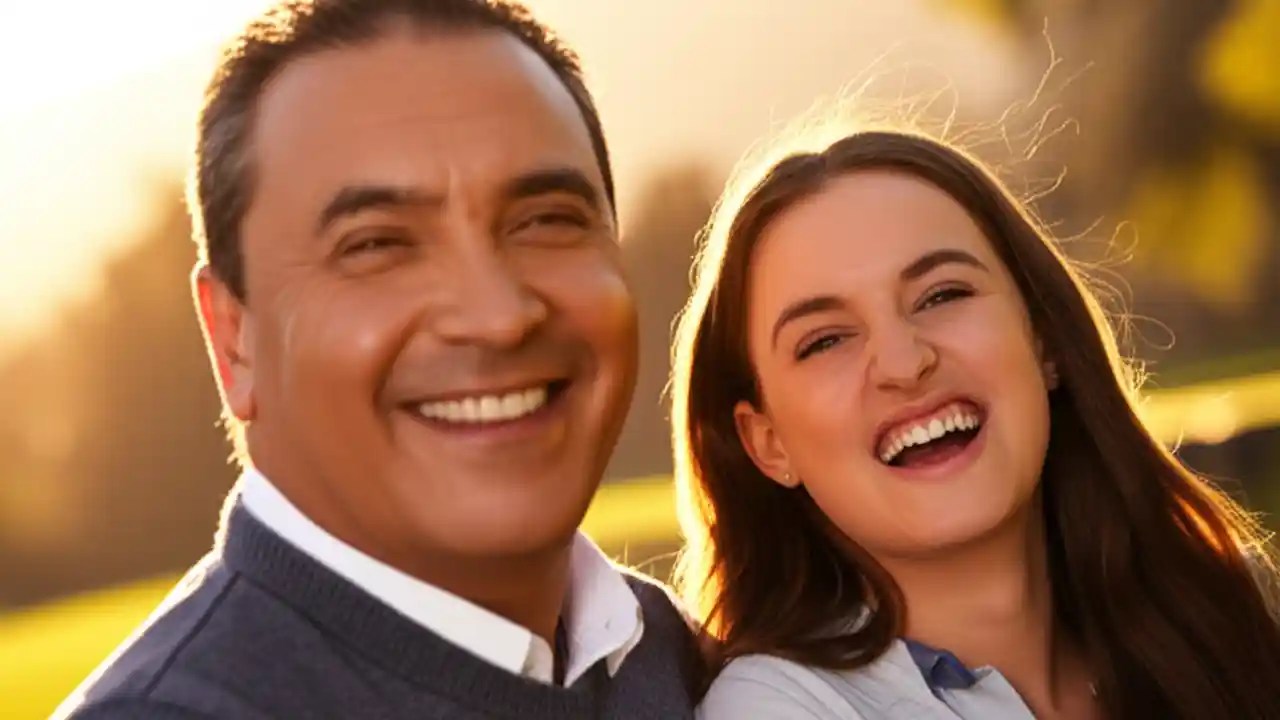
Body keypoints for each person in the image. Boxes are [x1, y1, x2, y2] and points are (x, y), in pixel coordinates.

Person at [55, 1, 700, 717]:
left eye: (546, 220)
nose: (497, 316)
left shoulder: (681, 661)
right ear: (233, 340)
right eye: (377, 244)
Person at [672, 127, 1280, 719]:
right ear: (769, 443)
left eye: (942, 295)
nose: (906, 364)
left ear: (1043, 338)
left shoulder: (1231, 609)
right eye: (826, 340)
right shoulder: (776, 708)